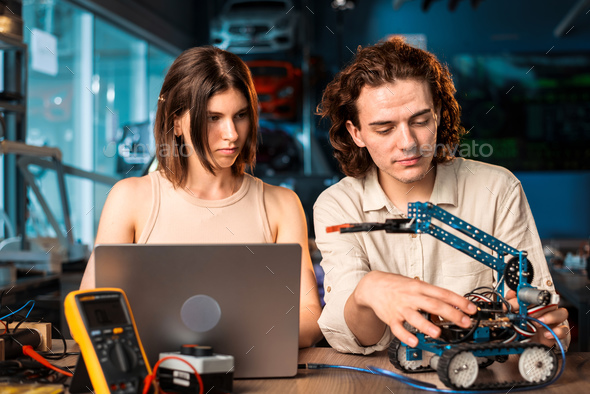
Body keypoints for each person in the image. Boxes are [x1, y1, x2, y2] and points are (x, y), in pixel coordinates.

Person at [314, 37, 569, 354]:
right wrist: (368, 291)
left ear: (438, 114)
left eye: (420, 121)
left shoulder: (498, 189)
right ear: (356, 133)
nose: (408, 143)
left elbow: (541, 318)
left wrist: (541, 330)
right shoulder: (338, 207)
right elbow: (354, 338)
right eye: (384, 128)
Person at [80, 46, 323, 348]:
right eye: (213, 118)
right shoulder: (130, 198)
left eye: (241, 115)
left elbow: (310, 316)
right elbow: (90, 311)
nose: (232, 133)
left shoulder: (282, 205)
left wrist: (234, 342)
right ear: (177, 122)